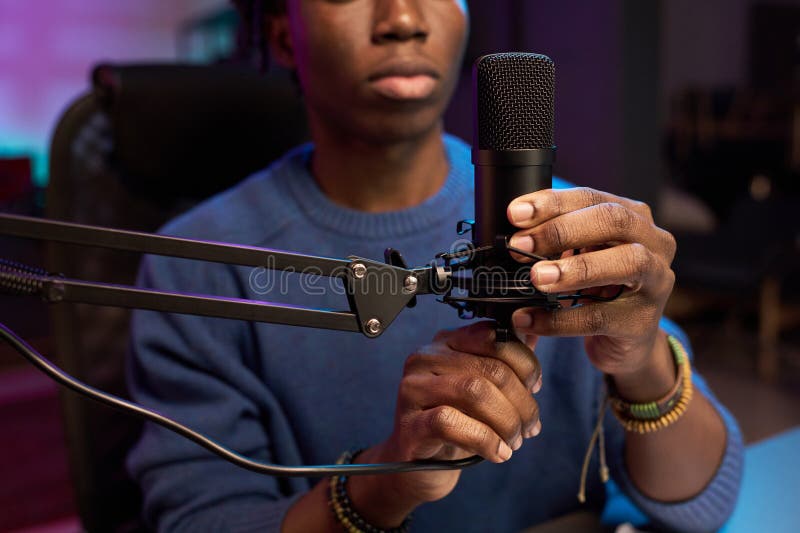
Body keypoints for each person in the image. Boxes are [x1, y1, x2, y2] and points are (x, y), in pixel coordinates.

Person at [126, 1, 743, 531]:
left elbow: (697, 506)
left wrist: (643, 367)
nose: (403, 19)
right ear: (285, 37)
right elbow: (199, 520)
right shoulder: (197, 264)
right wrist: (391, 477)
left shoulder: (572, 233)